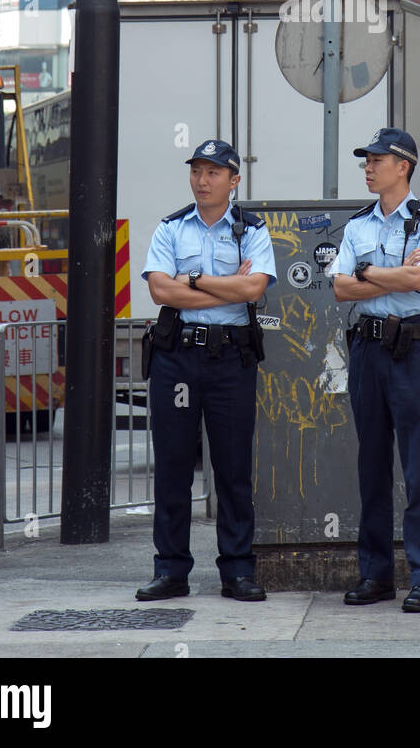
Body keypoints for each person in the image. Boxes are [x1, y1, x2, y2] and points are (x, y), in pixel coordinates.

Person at [135, 139, 276, 603]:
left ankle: (237, 571)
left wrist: (191, 281)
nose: (202, 179)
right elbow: (160, 291)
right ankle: (171, 570)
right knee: (173, 466)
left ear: (234, 181)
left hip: (231, 360)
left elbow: (254, 289)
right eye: (196, 170)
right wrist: (226, 288)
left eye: (213, 172)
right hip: (178, 357)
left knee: (234, 468)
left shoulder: (251, 230)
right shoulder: (172, 227)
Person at [330, 127, 420, 613]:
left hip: (413, 351)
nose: (368, 165)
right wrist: (387, 274)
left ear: (404, 167)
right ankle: (375, 574)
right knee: (372, 467)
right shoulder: (358, 224)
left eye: (377, 159)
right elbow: (339, 288)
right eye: (367, 159)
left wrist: (365, 272)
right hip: (368, 350)